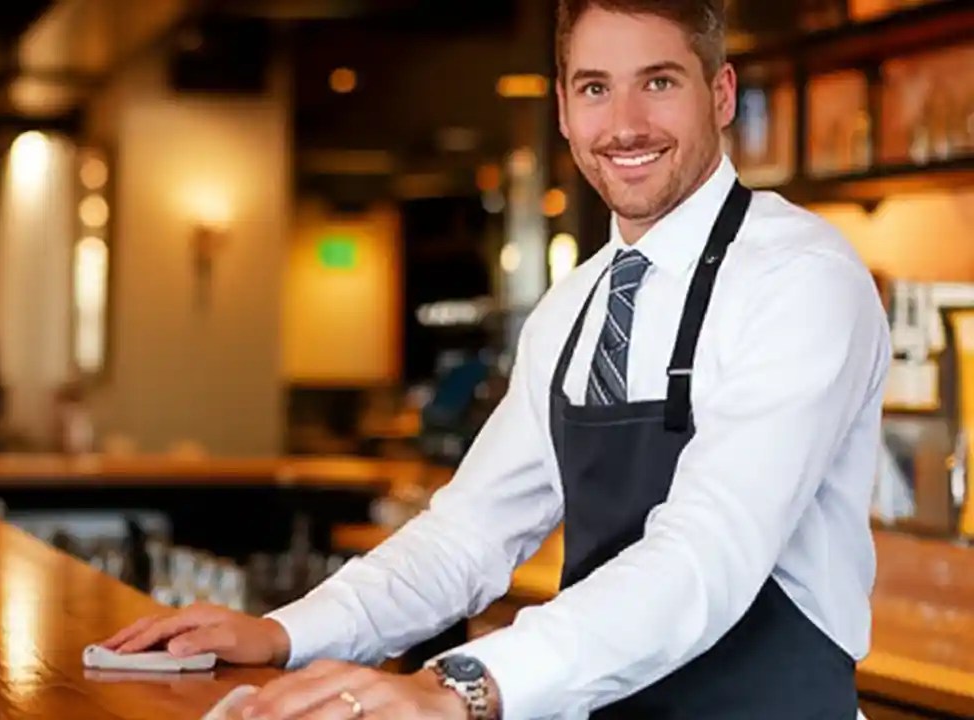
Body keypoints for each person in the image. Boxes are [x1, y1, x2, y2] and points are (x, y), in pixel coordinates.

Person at [99, 0, 892, 716]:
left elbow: (705, 558)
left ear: (720, 94)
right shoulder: (574, 308)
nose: (624, 123)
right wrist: (282, 632)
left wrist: (459, 688)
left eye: (657, 83)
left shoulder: (800, 281)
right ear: (562, 109)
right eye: (593, 88)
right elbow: (467, 537)